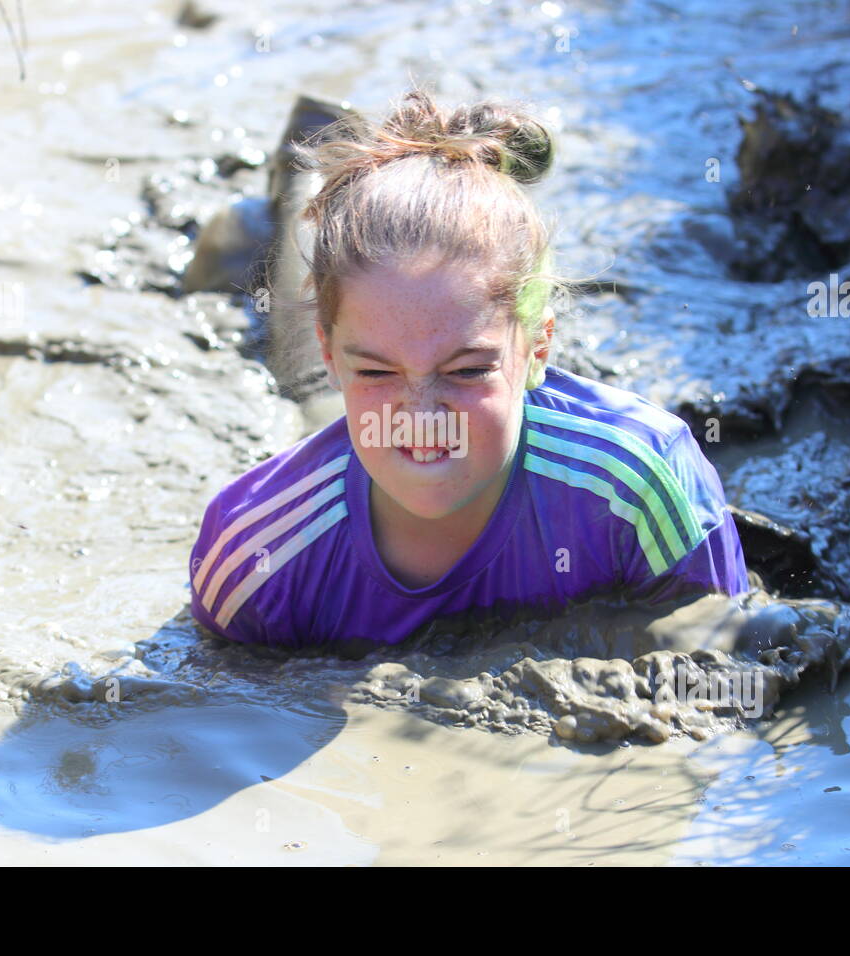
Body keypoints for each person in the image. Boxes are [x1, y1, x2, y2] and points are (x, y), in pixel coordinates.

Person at [188, 88, 748, 648]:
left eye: (467, 371)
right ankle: (307, 166)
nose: (423, 416)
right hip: (329, 406)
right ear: (336, 356)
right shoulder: (256, 558)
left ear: (539, 348)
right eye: (377, 374)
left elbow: (724, 680)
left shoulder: (641, 488)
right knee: (301, 376)